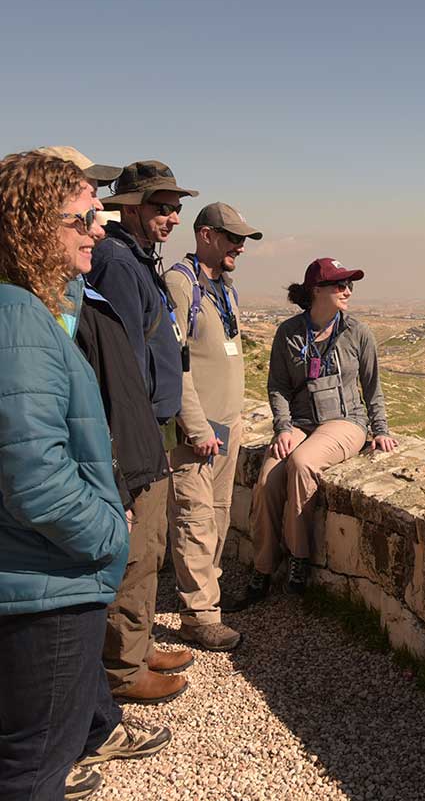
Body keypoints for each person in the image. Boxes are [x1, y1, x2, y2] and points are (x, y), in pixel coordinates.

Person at [0, 152, 164, 801]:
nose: (98, 228)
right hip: (49, 586)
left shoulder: (24, 311)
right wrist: (107, 532)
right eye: (82, 217)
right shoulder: (19, 318)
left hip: (40, 576)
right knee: (35, 769)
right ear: (35, 225)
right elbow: (34, 475)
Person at [86, 159, 198, 704]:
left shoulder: (135, 258)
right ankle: (122, 670)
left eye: (176, 207)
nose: (172, 216)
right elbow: (120, 361)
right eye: (161, 205)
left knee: (151, 547)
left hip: (152, 425)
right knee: (135, 552)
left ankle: (139, 642)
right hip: (136, 429)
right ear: (129, 205)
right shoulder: (116, 262)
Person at [237, 257, 397, 606]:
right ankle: (263, 566)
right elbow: (278, 385)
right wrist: (282, 428)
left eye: (349, 284)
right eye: (340, 284)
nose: (347, 290)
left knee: (303, 463)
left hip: (345, 422)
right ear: (316, 291)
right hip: (300, 422)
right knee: (267, 477)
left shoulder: (358, 332)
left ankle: (299, 557)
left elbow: (372, 386)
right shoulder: (290, 333)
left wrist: (380, 429)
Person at [165, 202, 263, 650]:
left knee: (218, 517)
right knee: (195, 519)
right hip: (197, 431)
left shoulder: (226, 288)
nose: (239, 247)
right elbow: (173, 363)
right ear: (205, 235)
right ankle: (200, 615)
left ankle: (207, 596)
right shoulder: (180, 284)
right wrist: (195, 423)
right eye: (232, 238)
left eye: (242, 239)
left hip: (229, 424)